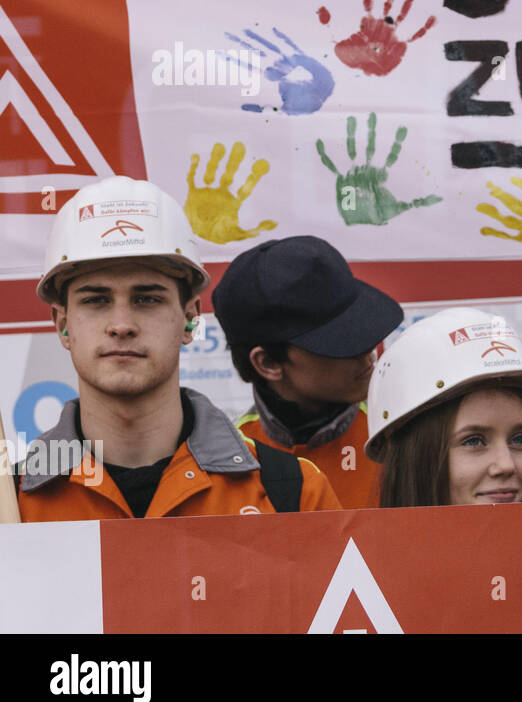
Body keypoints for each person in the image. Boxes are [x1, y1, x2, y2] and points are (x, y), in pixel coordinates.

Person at [20, 176, 341, 521]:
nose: (122, 324)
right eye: (96, 300)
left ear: (190, 318)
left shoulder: (293, 492)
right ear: (62, 325)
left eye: (147, 299)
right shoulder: (11, 502)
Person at [212, 235, 400, 508]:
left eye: (361, 326)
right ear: (268, 363)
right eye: (340, 340)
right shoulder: (224, 459)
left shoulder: (401, 437)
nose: (368, 352)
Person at [365, 306, 522, 507]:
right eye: (473, 441)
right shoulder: (360, 541)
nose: (506, 465)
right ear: (411, 459)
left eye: (520, 439)